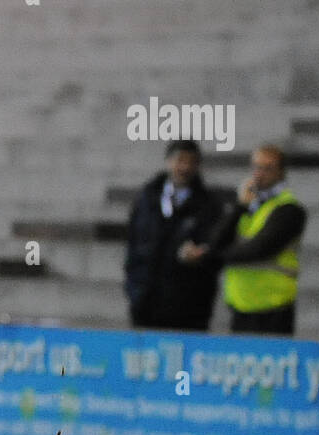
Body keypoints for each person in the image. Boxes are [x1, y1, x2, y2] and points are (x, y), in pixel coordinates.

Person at [179, 144, 306, 335]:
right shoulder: (247, 205)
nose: (259, 173)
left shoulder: (289, 209)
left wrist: (207, 255)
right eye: (256, 167)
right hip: (241, 304)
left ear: (281, 172)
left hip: (273, 306)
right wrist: (239, 207)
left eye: (267, 168)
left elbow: (258, 249)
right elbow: (216, 240)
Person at [123, 140, 221, 331]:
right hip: (146, 302)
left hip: (189, 308)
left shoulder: (209, 206)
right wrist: (134, 289)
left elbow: (215, 250)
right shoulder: (146, 199)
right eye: (180, 161)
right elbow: (133, 245)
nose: (184, 167)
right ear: (168, 162)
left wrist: (199, 257)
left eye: (190, 162)